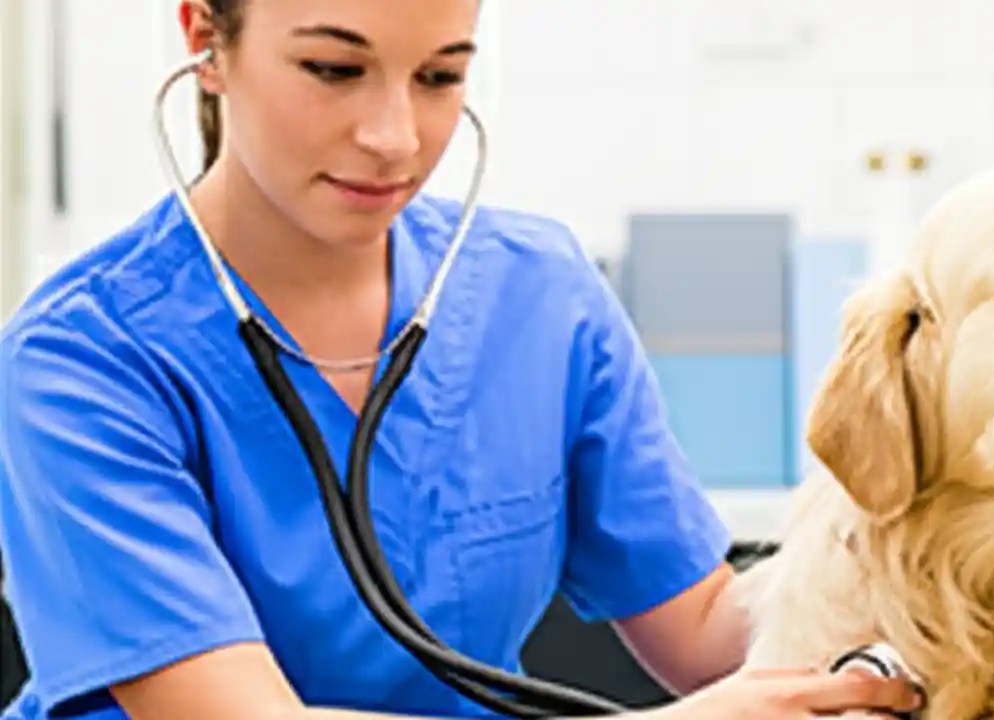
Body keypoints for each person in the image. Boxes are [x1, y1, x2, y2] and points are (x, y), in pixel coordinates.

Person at [0, 1, 925, 718]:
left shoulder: (539, 297)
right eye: (334, 68)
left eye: (440, 77)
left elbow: (710, 635)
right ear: (205, 35)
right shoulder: (80, 361)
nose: (395, 137)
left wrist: (936, 507)